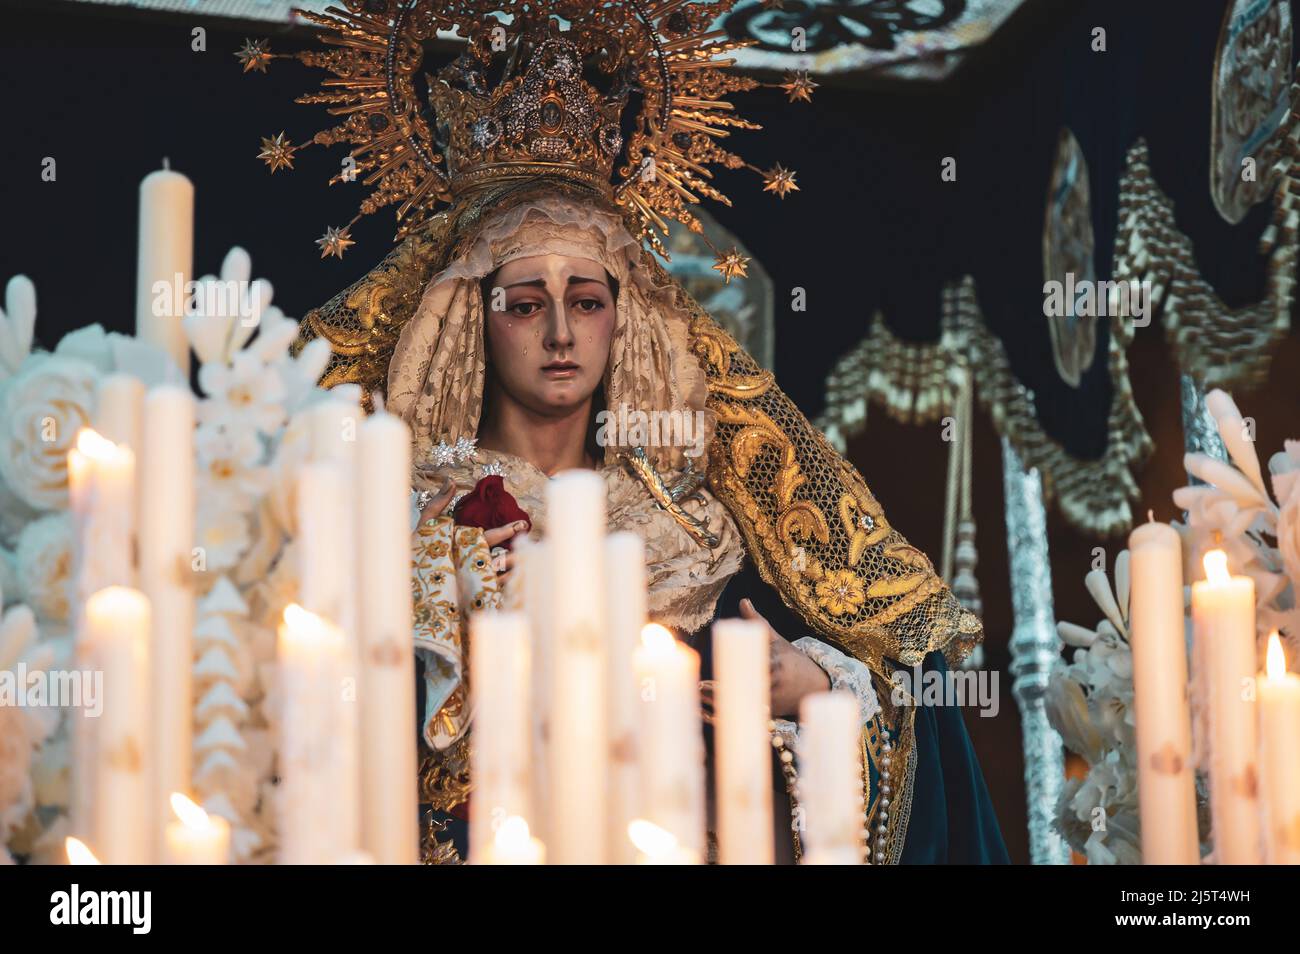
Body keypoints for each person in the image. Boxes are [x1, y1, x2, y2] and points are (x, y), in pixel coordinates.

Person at [273, 0, 1006, 864]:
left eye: (587, 301)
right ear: (469, 319)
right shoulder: (409, 520)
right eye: (524, 304)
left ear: (627, 319)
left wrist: (812, 689)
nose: (559, 334)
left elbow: (904, 701)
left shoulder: (703, 534)